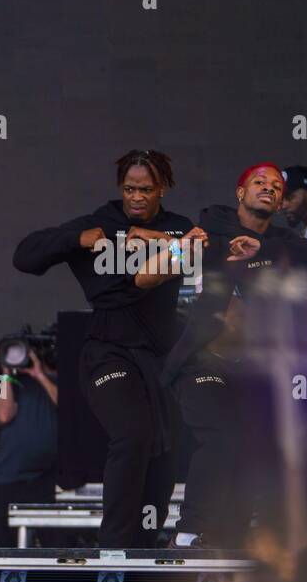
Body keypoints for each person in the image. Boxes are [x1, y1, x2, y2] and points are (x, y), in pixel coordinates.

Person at [13, 151, 194, 548]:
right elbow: (24, 256)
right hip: (106, 353)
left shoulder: (179, 228)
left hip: (159, 361)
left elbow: (198, 247)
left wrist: (154, 239)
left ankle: (143, 549)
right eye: (130, 189)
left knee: (163, 453)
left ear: (161, 189)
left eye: (146, 190)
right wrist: (76, 239)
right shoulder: (99, 224)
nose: (137, 198)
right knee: (133, 434)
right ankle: (112, 548)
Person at [146, 163, 307, 547]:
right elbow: (162, 262)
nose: (269, 188)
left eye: (277, 187)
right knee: (220, 436)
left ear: (280, 203)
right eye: (259, 182)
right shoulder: (210, 233)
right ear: (240, 193)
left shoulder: (282, 243)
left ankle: (232, 536)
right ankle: (188, 533)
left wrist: (263, 250)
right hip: (204, 361)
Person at [0, 341, 58, 547]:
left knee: (56, 549)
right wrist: (4, 369)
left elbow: (70, 408)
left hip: (49, 479)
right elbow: (3, 414)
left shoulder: (58, 380)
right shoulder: (3, 381)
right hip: (9, 476)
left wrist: (39, 375)